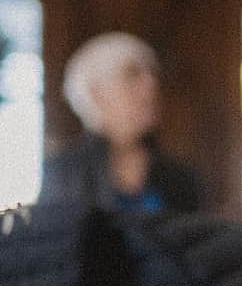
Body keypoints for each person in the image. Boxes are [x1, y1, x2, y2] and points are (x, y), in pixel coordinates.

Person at [40, 32, 203, 213]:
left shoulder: (180, 177)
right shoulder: (62, 172)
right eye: (132, 74)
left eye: (151, 75)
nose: (151, 86)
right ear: (96, 93)